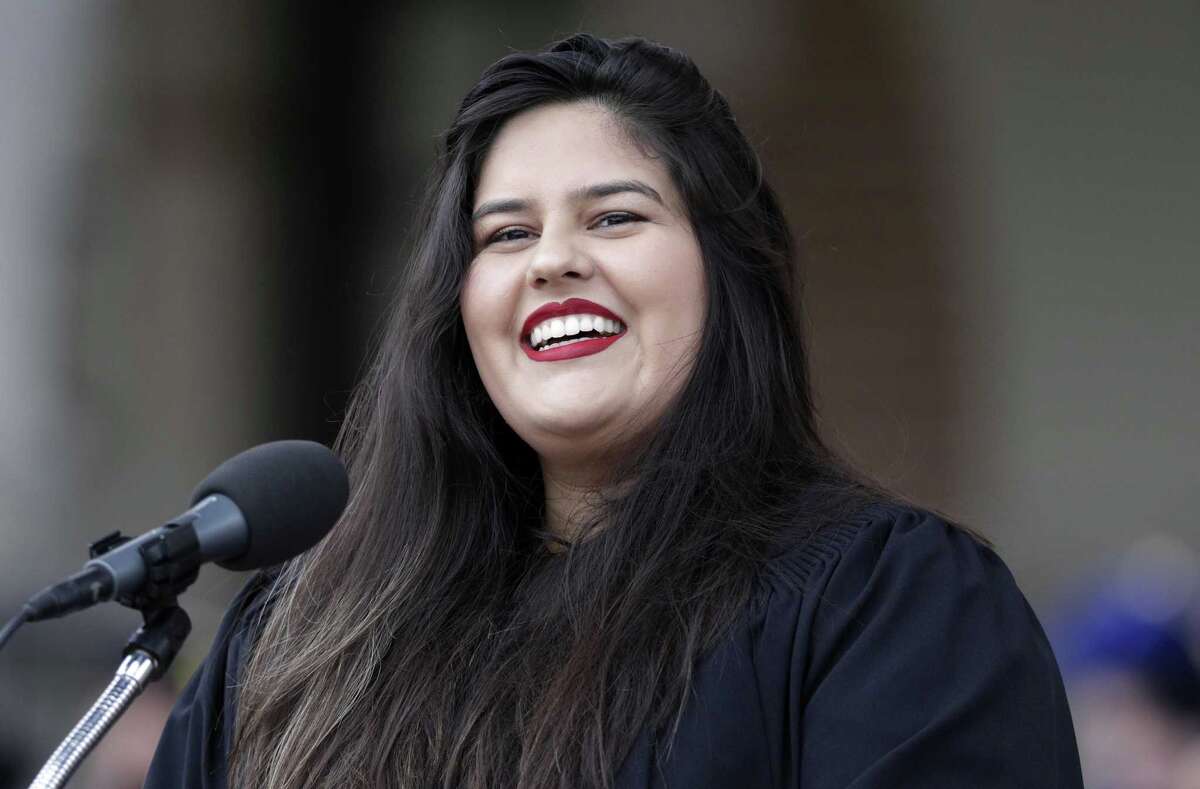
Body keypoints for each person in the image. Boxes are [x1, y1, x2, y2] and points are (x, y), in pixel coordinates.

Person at [144, 33, 1084, 788]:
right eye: (507, 233)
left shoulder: (887, 605)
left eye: (615, 217)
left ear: (730, 273)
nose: (552, 260)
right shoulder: (304, 638)